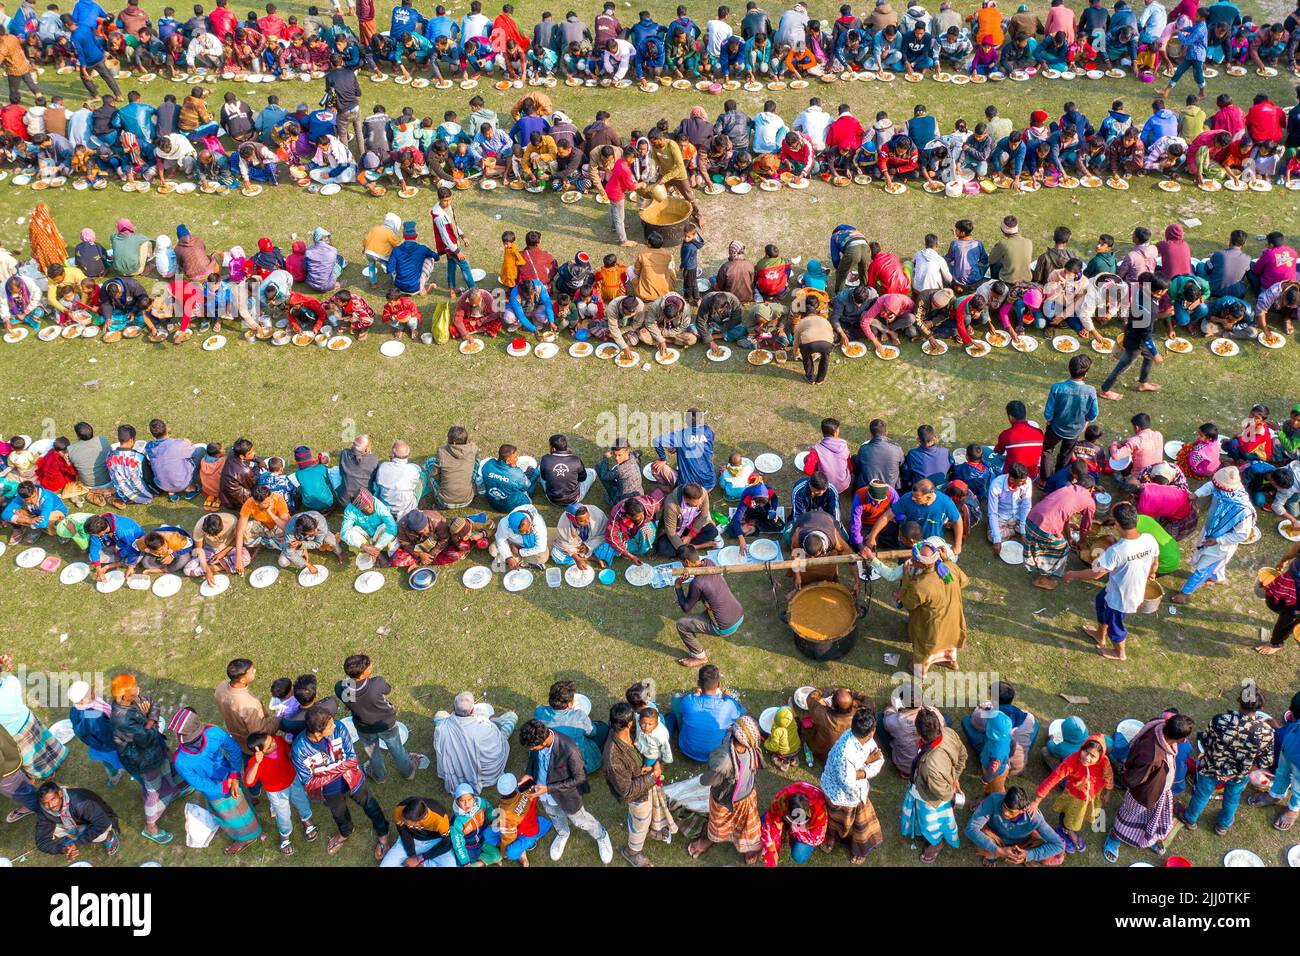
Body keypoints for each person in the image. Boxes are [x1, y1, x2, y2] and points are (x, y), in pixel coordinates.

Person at [292, 703, 391, 858]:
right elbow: (308, 782)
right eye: (329, 727)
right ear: (318, 733)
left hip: (353, 778)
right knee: (339, 814)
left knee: (370, 804)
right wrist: (338, 769)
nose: (334, 726)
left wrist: (324, 772)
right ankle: (345, 832)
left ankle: (383, 832)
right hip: (329, 790)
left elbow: (352, 760)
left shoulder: (338, 727)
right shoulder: (299, 749)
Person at [1063, 501, 1159, 661]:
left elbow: (1095, 574)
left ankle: (1119, 653)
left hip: (1121, 598)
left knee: (1116, 628)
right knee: (1101, 601)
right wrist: (1151, 574)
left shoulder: (1117, 551)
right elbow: (1155, 562)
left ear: (1117, 524)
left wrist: (1073, 574)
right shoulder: (1149, 539)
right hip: (1119, 589)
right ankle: (1100, 635)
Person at [1176, 687, 1274, 835]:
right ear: (1261, 707)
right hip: (1239, 776)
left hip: (1211, 769)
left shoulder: (1220, 720)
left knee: (1202, 795)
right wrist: (1243, 770)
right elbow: (1265, 761)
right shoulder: (1267, 732)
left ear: (1239, 701)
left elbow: (1206, 742)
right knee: (1232, 798)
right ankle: (1223, 826)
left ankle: (1190, 819)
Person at [167, 707, 264, 855]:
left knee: (235, 818)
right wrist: (232, 777)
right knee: (240, 805)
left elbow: (200, 782)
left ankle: (248, 838)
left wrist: (230, 779)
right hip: (226, 783)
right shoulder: (212, 733)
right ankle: (249, 807)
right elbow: (233, 751)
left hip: (221, 790)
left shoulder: (180, 759)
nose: (197, 743)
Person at [519, 717, 613, 863]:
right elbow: (533, 758)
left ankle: (601, 835)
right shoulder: (539, 742)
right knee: (556, 817)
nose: (531, 750)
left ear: (543, 742)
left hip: (567, 796)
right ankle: (563, 834)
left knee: (581, 821)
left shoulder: (570, 749)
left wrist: (548, 788)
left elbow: (579, 778)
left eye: (533, 747)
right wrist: (529, 773)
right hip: (544, 795)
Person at [1105, 712, 1195, 862]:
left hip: (1159, 792)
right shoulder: (1153, 757)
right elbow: (1133, 779)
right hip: (1142, 795)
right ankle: (1114, 837)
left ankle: (1150, 838)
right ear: (1180, 739)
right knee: (1130, 815)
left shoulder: (1158, 725)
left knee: (1155, 817)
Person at [108, 673, 184, 845]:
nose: (138, 688)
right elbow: (146, 737)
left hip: (154, 749)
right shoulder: (122, 719)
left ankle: (175, 790)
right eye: (134, 687)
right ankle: (150, 827)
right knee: (153, 790)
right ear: (124, 695)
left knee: (167, 766)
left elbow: (153, 703)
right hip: (142, 759)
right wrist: (151, 720)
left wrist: (151, 717)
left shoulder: (130, 699)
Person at [334, 653, 424, 783]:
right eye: (369, 665)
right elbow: (387, 689)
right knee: (397, 749)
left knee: (373, 752)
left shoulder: (341, 687)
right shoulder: (377, 683)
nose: (371, 665)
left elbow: (348, 700)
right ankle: (408, 772)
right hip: (386, 724)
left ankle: (380, 777)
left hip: (364, 727)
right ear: (363, 673)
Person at [1174, 465, 1255, 605]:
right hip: (1210, 531)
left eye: (1217, 487)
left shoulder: (1243, 510)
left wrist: (1218, 540)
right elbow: (1210, 486)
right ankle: (1219, 577)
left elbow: (1242, 535)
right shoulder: (1221, 488)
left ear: (1226, 488)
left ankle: (1184, 593)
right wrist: (1196, 494)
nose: (1214, 487)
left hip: (1221, 545)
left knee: (1202, 569)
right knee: (1214, 563)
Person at [688, 714, 764, 863]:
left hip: (746, 796)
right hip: (726, 800)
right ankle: (710, 840)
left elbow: (707, 780)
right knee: (719, 823)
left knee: (746, 824)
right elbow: (710, 779)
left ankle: (748, 846)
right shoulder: (725, 761)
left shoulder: (736, 745)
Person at [894, 539, 969, 677]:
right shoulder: (950, 568)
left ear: (921, 563)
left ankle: (920, 671)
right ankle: (950, 662)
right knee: (949, 642)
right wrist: (947, 560)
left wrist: (905, 579)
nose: (911, 560)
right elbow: (964, 581)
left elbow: (909, 604)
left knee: (925, 648)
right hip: (954, 621)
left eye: (913, 558)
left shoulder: (920, 586)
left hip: (934, 628)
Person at [819, 707, 886, 863]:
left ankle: (839, 841)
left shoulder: (855, 736)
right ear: (872, 732)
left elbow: (880, 759)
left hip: (839, 789)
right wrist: (865, 770)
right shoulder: (845, 752)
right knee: (848, 822)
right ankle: (835, 839)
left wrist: (864, 764)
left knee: (840, 820)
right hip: (844, 795)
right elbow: (848, 781)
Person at [900, 708, 966, 862]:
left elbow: (944, 794)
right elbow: (963, 755)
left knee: (930, 823)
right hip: (936, 787)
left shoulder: (930, 767)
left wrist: (952, 782)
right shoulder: (949, 732)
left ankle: (936, 843)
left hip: (930, 800)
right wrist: (955, 777)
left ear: (920, 733)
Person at [1032, 734, 1113, 853]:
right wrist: (1036, 801)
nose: (1087, 758)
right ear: (1082, 748)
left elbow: (1109, 776)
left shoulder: (1104, 762)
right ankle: (1067, 831)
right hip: (1075, 798)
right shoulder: (1072, 761)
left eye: (1093, 756)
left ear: (1100, 756)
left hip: (1092, 797)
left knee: (1080, 815)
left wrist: (1108, 792)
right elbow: (1053, 779)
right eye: (1085, 752)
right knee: (1070, 816)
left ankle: (1067, 829)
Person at [602, 701, 660, 867]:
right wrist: (653, 775)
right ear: (628, 723)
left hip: (644, 781)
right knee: (640, 822)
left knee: (644, 816)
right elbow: (626, 791)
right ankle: (631, 852)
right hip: (637, 797)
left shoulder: (631, 731)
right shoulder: (613, 758)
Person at [245, 731, 318, 855]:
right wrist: (257, 762)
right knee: (283, 814)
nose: (274, 743)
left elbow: (288, 752)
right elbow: (249, 782)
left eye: (271, 740)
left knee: (302, 801)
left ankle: (306, 819)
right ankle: (285, 835)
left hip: (292, 779)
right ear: (259, 752)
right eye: (270, 745)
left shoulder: (278, 740)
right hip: (276, 791)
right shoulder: (255, 762)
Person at [673, 545, 744, 666]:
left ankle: (700, 657)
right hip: (739, 614)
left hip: (725, 627)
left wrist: (678, 585)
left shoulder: (697, 584)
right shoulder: (709, 562)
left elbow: (686, 608)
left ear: (687, 562)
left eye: (682, 563)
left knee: (681, 625)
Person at [433, 690, 517, 793]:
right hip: (487, 776)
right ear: (473, 711)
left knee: (439, 715)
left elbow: (439, 750)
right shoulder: (486, 727)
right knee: (512, 716)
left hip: (455, 774)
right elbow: (499, 747)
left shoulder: (441, 729)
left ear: (453, 708)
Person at [0, 653, 65, 783]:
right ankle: (57, 755)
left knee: (30, 756)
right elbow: (7, 677)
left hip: (13, 733)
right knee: (42, 740)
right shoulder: (11, 682)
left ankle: (44, 773)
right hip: (27, 718)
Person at [965, 785, 1066, 866]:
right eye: (1004, 807)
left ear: (1022, 810)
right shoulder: (994, 799)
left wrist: (1029, 855)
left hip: (1021, 842)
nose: (1005, 813)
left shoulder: (1035, 818)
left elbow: (1058, 845)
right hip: (994, 835)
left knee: (1047, 857)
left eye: (1011, 811)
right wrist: (998, 850)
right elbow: (971, 828)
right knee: (984, 842)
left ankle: (1022, 858)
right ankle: (993, 855)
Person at [533, 679, 607, 775]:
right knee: (602, 728)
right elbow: (592, 733)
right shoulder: (579, 716)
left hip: (554, 758)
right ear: (569, 704)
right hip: (579, 762)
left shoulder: (539, 712)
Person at [33, 782, 120, 861]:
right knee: (51, 829)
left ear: (60, 793)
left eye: (53, 799)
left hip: (102, 818)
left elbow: (103, 822)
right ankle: (72, 836)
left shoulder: (81, 803)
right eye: (46, 803)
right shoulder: (45, 810)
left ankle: (109, 835)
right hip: (76, 821)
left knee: (100, 834)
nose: (51, 806)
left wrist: (78, 843)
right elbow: (42, 841)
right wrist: (63, 849)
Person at [382, 795, 456, 867]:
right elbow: (404, 832)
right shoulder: (400, 809)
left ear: (422, 820)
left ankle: (424, 863)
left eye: (410, 825)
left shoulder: (440, 818)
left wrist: (419, 859)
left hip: (435, 842)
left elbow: (446, 843)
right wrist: (412, 855)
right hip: (411, 840)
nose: (405, 824)